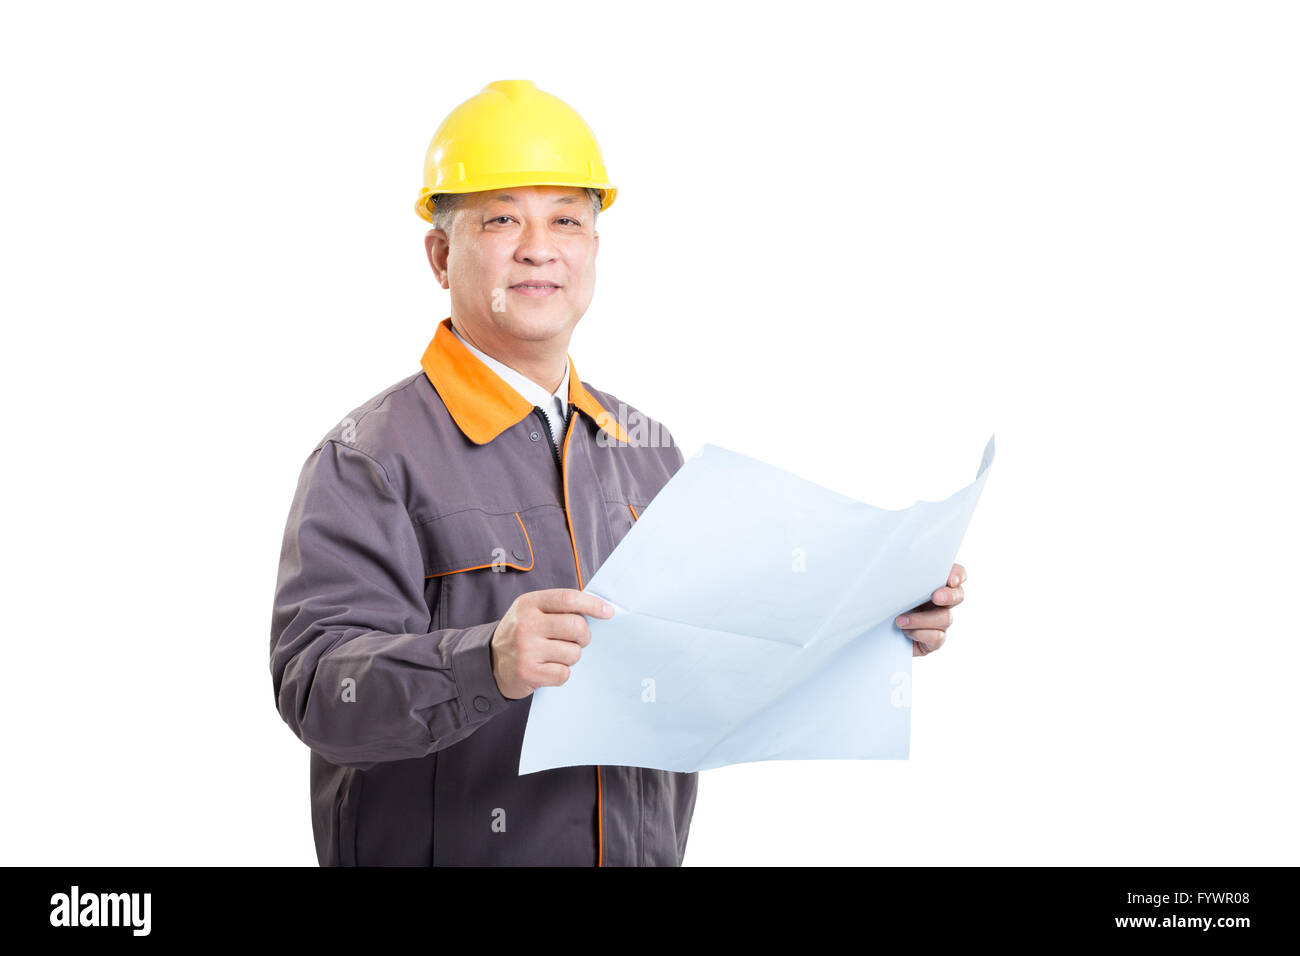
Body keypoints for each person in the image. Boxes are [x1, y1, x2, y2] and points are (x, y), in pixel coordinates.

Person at [269, 79, 967, 867]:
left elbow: (727, 647)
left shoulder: (644, 447)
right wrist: (485, 662)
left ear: (593, 250)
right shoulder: (372, 457)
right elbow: (319, 689)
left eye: (566, 218)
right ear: (440, 254)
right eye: (502, 218)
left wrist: (873, 620)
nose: (539, 246)